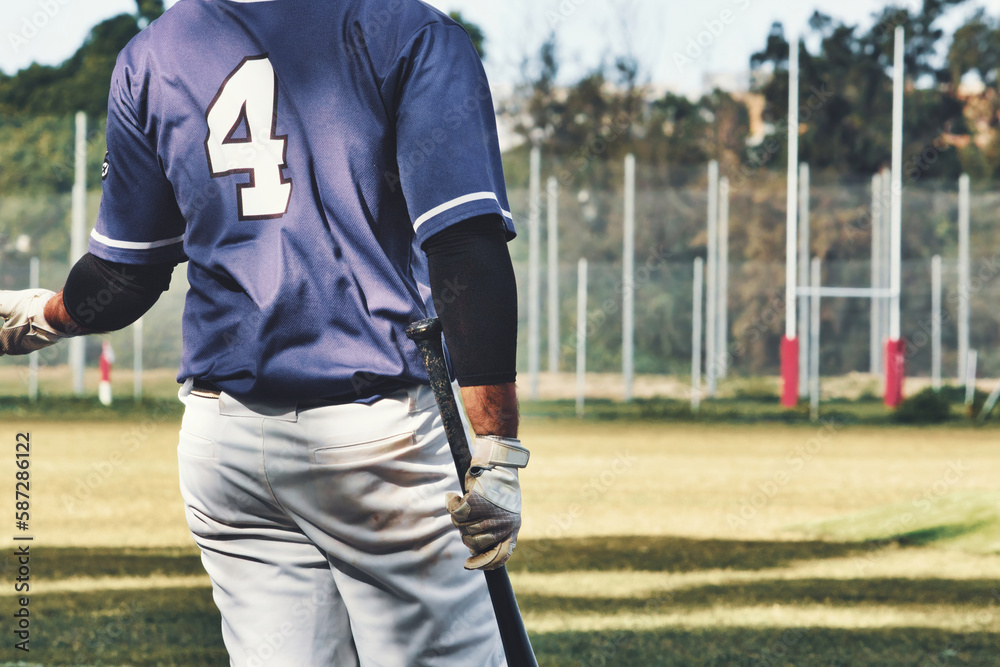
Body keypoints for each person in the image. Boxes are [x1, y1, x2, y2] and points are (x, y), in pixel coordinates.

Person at [0, 1, 526, 664]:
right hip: (378, 439)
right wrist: (497, 448)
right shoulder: (409, 30)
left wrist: (36, 315)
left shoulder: (155, 51)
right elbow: (464, 248)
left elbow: (124, 276)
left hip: (229, 448)